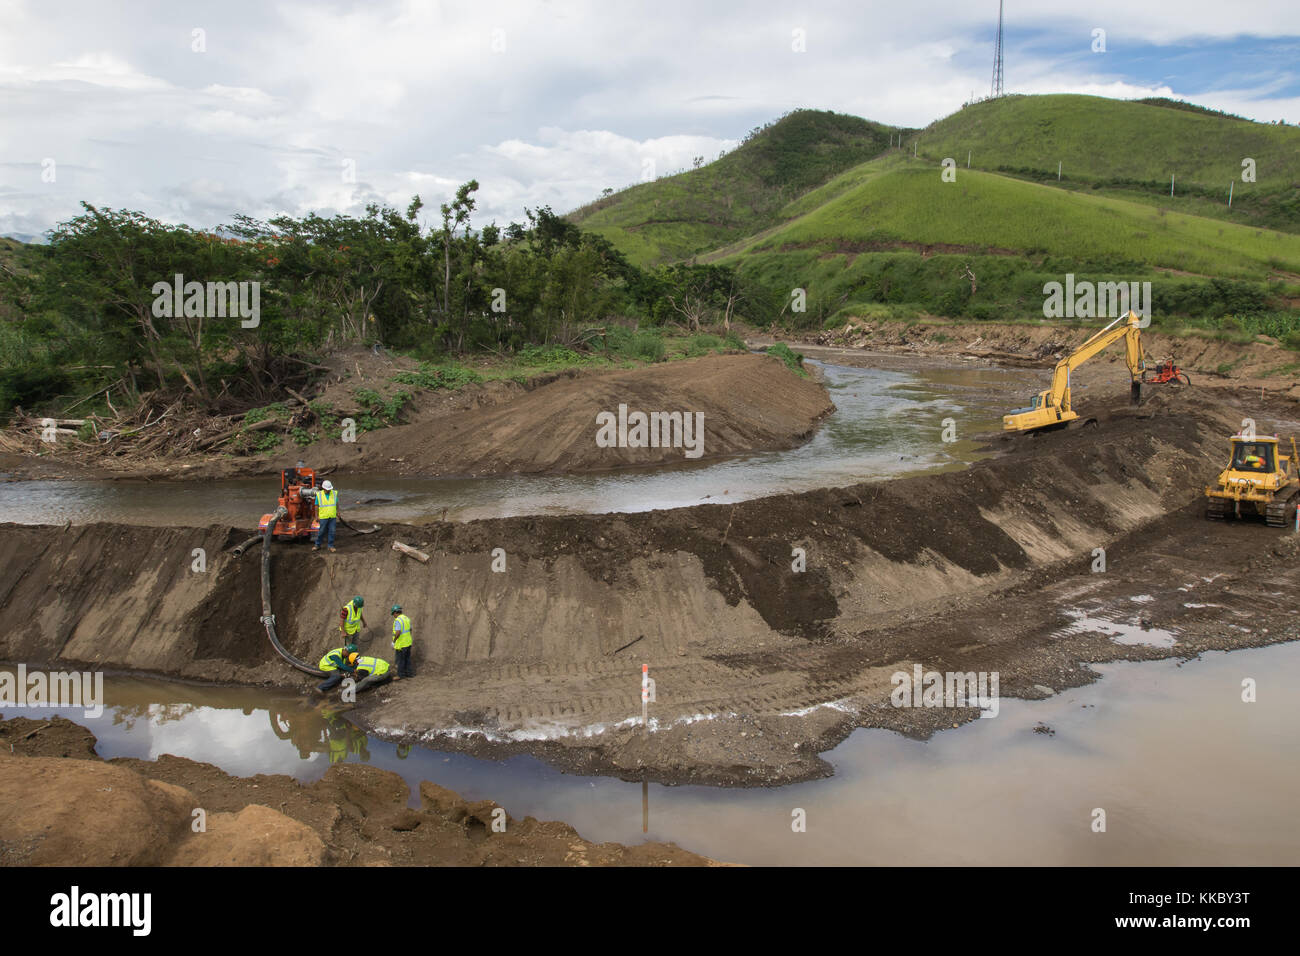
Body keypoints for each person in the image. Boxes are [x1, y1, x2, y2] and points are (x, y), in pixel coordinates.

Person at [313, 480, 339, 553]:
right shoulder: (319, 495)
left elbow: (337, 503)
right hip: (323, 517)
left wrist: (338, 512)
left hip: (332, 516)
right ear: (323, 488)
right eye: (327, 489)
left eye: (329, 489)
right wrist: (316, 516)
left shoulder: (334, 493)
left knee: (332, 531)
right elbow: (316, 506)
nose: (328, 490)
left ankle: (330, 546)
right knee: (321, 531)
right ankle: (317, 545)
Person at [390, 604, 414, 678]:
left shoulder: (398, 620)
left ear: (395, 612)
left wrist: (393, 641)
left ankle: (401, 675)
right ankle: (409, 673)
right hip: (408, 642)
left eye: (393, 614)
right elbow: (410, 629)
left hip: (401, 644)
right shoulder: (406, 618)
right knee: (407, 659)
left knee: (400, 660)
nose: (393, 615)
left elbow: (398, 632)